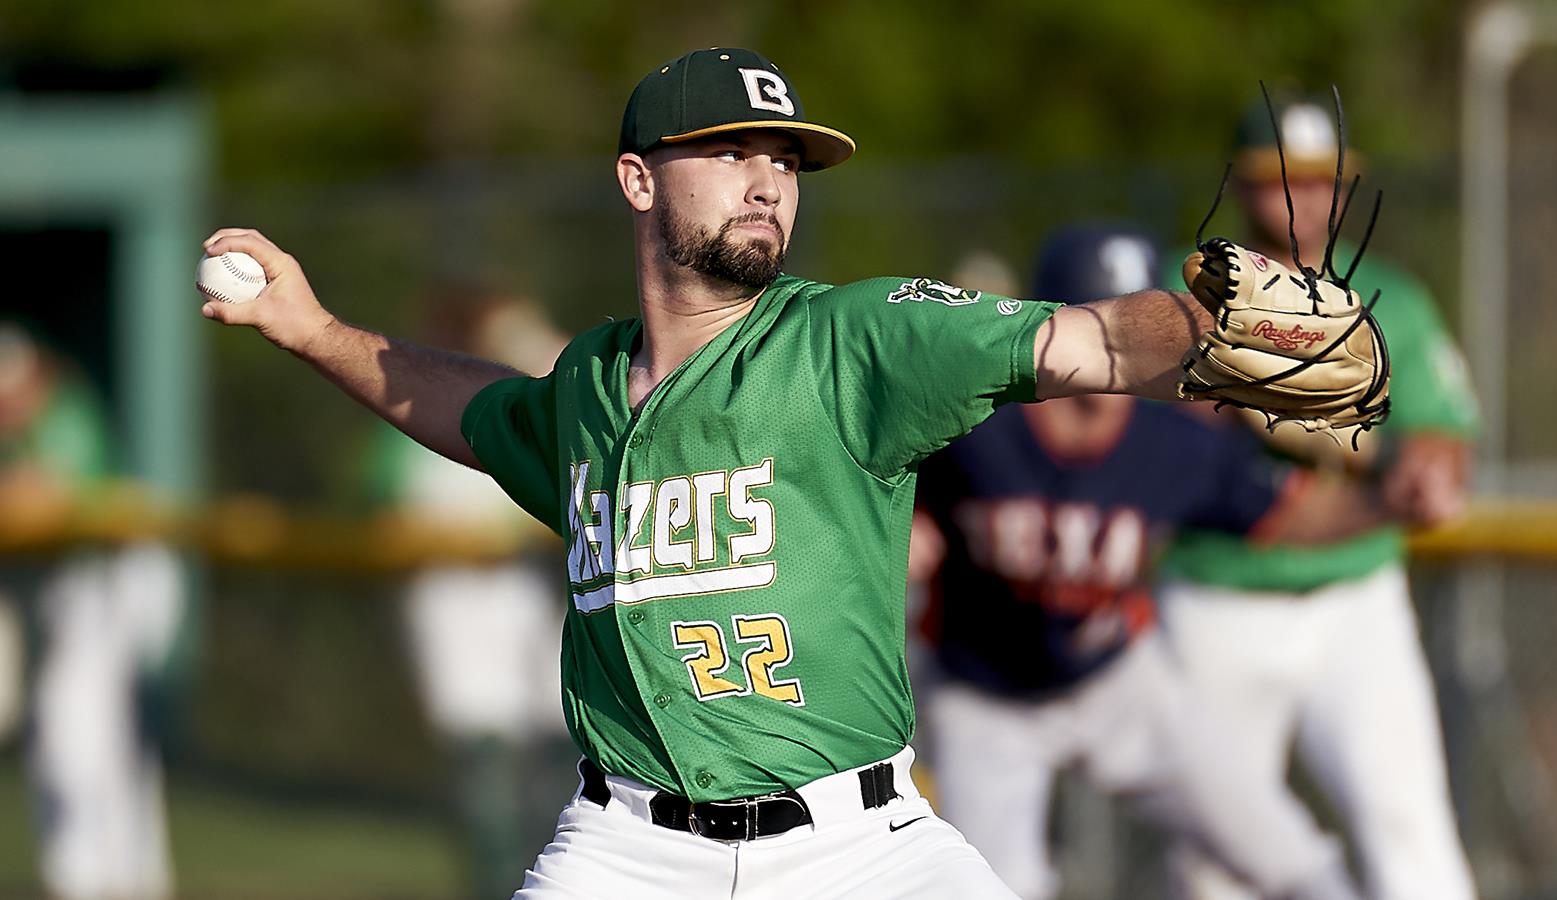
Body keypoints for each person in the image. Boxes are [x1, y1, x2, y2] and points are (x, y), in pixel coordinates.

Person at [195, 49, 1381, 899]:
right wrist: (313, 331)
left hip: (860, 847)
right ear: (637, 179)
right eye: (728, 151)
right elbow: (472, 407)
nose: (767, 177)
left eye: (787, 159)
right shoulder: (588, 389)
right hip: (626, 851)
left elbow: (1091, 340)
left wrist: (1202, 321)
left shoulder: (857, 342)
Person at [913, 225, 1421, 900]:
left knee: (1285, 851)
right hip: (985, 697)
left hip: (1119, 678)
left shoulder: (1173, 439)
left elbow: (1284, 513)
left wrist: (1389, 500)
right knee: (992, 889)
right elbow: (876, 489)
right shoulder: (972, 423)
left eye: (1141, 317)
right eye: (1102, 316)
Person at [1158, 96, 1479, 900]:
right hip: (1216, 596)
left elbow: (1443, 431)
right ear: (1242, 188)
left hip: (1354, 598)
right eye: (1279, 180)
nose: (1301, 196)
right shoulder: (1187, 280)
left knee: (1407, 830)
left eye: (1317, 177)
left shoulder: (1392, 297)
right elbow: (1174, 403)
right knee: (1217, 860)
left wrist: (1425, 468)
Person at [364, 286, 570, 898]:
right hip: (448, 598)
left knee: (559, 739)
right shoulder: (413, 412)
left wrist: (527, 340)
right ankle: (498, 883)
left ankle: (548, 871)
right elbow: (387, 515)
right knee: (483, 747)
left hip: (522, 591)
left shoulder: (525, 406)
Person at [0, 321, 182, 900]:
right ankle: (112, 878)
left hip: (122, 573)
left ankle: (104, 877)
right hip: (77, 581)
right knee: (92, 741)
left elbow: (40, 498)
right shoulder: (20, 431)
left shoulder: (64, 413)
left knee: (83, 736)